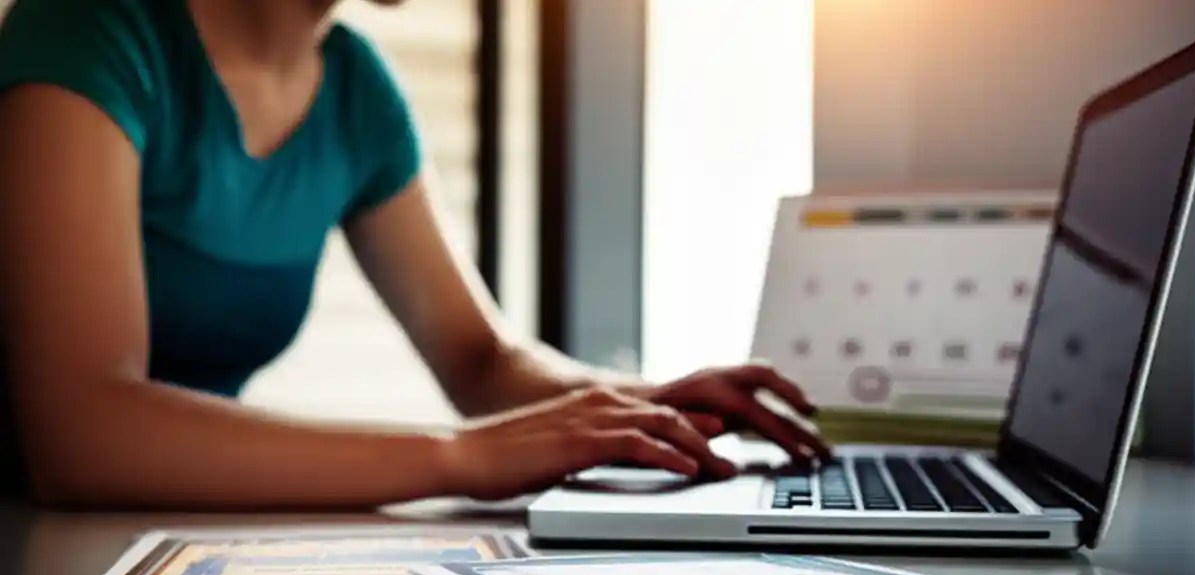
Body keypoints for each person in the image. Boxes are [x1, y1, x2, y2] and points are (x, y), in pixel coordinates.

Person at [0, 0, 826, 509]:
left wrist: (636, 406)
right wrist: (459, 458)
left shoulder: (355, 87)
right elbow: (82, 433)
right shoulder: (88, 26)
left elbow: (480, 359)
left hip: (148, 537)